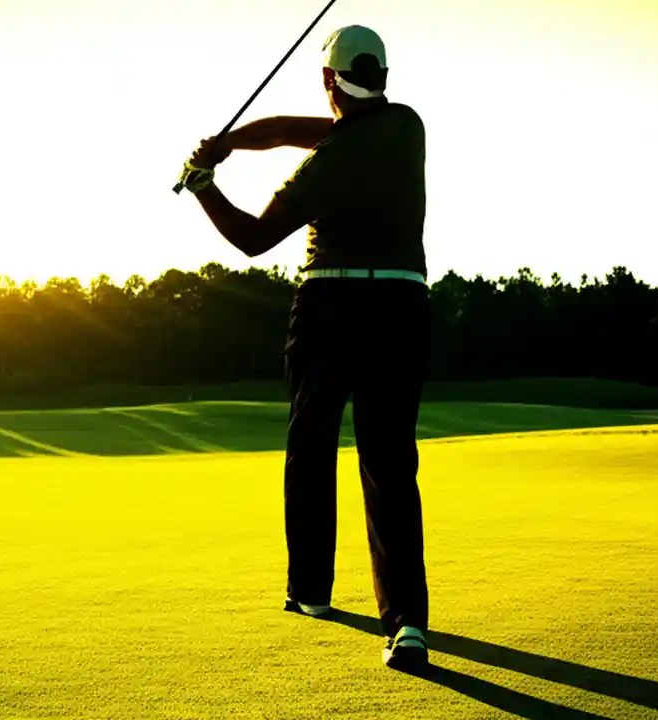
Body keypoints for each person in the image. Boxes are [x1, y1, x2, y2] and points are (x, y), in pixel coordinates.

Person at [179, 25, 431, 672]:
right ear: (380, 74)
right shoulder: (406, 126)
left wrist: (205, 182)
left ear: (328, 81)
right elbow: (299, 127)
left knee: (311, 447)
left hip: (328, 309)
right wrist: (236, 141)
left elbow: (253, 240)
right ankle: (406, 627)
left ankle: (311, 591)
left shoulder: (321, 166)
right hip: (401, 307)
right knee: (389, 463)